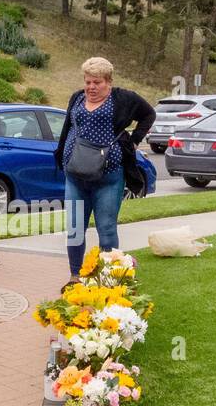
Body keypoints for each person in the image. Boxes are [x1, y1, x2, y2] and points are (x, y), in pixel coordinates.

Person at [53, 56, 155, 283]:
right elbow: (68, 127)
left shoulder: (123, 98)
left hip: (108, 177)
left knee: (106, 228)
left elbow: (149, 114)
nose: (91, 87)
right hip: (75, 175)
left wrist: (134, 140)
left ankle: (108, 280)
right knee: (74, 228)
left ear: (108, 81)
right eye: (87, 82)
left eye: (96, 82)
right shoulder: (77, 98)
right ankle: (74, 277)